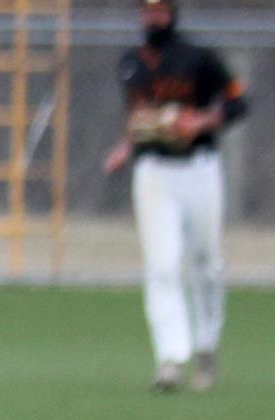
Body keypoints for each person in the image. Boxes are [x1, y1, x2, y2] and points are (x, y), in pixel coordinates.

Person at [102, 0, 250, 393]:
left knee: (205, 262)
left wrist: (202, 120)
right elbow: (140, 118)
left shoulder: (198, 58)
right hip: (154, 172)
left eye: (161, 10)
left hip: (199, 169)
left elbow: (238, 100)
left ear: (172, 14)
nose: (154, 18)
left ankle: (205, 347)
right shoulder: (130, 63)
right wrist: (125, 147)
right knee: (162, 265)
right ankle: (170, 358)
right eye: (148, 11)